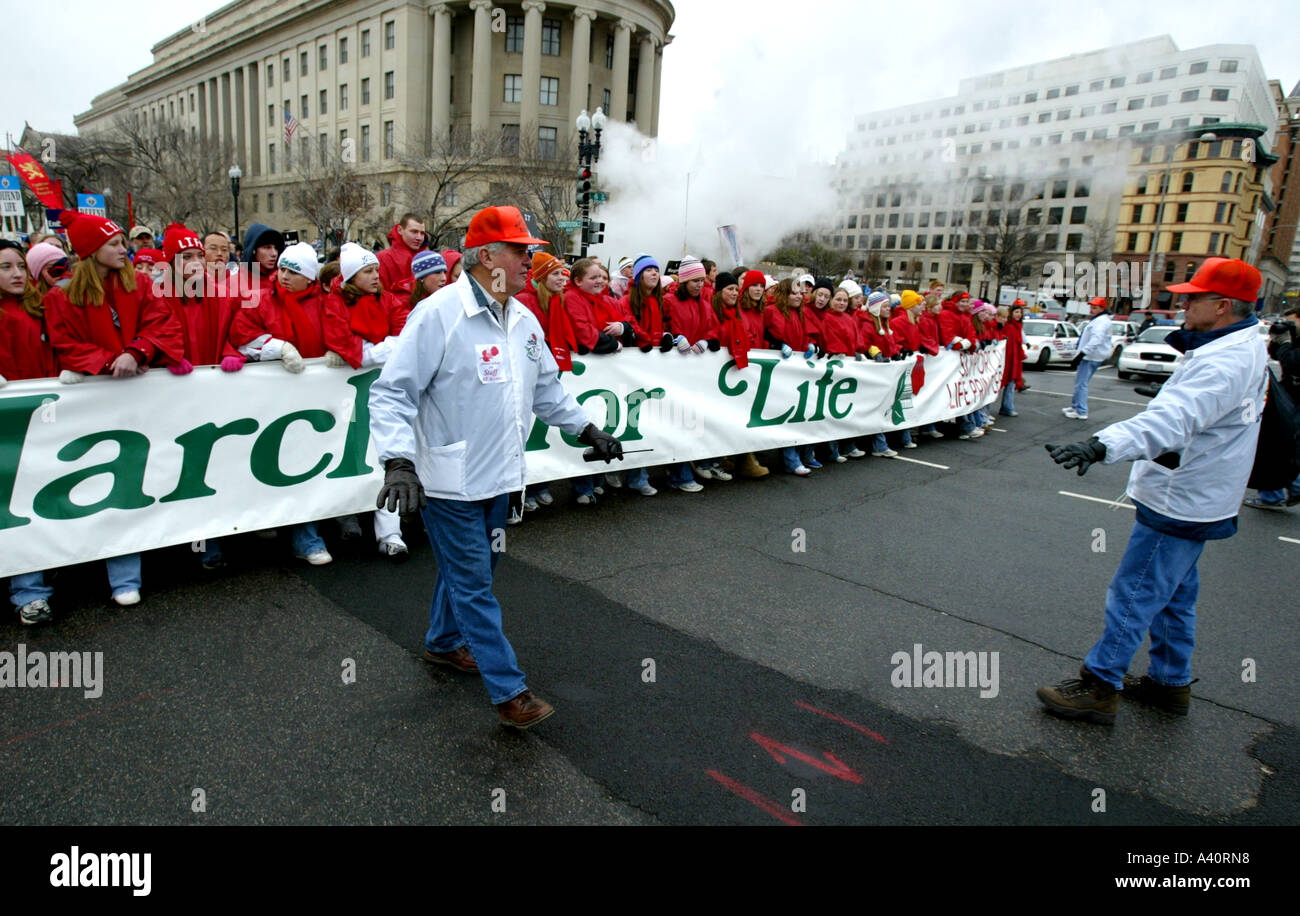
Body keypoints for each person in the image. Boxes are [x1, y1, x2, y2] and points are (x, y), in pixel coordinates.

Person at [369, 204, 622, 729]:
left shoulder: (525, 318)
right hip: (449, 482)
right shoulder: (438, 314)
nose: (530, 257)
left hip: (503, 480)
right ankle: (510, 691)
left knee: (472, 574)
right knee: (475, 585)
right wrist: (398, 460)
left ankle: (442, 641)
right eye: (519, 248)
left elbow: (547, 392)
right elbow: (392, 394)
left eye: (529, 249)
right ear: (487, 255)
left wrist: (587, 429)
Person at [1037, 258, 1267, 724]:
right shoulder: (1238, 347)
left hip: (1181, 498)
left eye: (1193, 297)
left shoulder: (1223, 361)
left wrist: (1101, 444)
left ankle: (1100, 684)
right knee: (1175, 595)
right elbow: (1194, 413)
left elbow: (1174, 421)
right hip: (1201, 496)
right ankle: (1169, 682)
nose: (1182, 302)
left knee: (1136, 590)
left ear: (1222, 306)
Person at [44, 210, 186, 607]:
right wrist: (112, 361)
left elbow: (164, 325)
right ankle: (106, 571)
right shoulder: (62, 296)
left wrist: (137, 351)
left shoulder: (139, 284)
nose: (123, 250)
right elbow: (65, 344)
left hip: (139, 399)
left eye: (123, 242)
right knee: (102, 482)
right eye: (113, 244)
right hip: (95, 404)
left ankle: (135, 571)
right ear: (90, 252)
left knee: (138, 479)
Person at [229, 241, 353, 565]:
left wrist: (337, 350)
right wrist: (277, 348)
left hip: (315, 399)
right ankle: (286, 532)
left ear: (309, 278)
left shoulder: (326, 302)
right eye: (282, 268)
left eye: (293, 271)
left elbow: (341, 332)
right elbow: (241, 336)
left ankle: (314, 531)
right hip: (272, 400)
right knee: (278, 463)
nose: (283, 275)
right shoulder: (260, 298)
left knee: (310, 464)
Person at [325, 242, 413, 558]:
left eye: (376, 269)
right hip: (346, 398)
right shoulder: (334, 303)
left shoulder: (387, 299)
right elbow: (343, 344)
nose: (376, 276)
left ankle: (390, 533)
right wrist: (378, 350)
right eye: (368, 271)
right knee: (348, 456)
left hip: (385, 396)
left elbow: (405, 336)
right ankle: (346, 517)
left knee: (385, 455)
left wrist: (371, 352)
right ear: (351, 276)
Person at [0, 239, 60, 624]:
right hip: (11, 425)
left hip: (51, 418)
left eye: (20, 265)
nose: (17, 274)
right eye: (5, 267)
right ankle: (29, 592)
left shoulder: (42, 308)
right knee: (17, 504)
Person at [515, 251, 576, 508]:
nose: (562, 278)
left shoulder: (557, 300)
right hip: (527, 374)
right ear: (540, 277)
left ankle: (540, 484)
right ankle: (523, 491)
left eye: (562, 272)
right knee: (526, 433)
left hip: (548, 371)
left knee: (544, 432)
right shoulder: (524, 301)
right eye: (555, 273)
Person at [1243, 305, 1300, 510]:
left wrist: (1285, 344)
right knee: (1282, 444)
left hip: (1294, 399)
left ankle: (1278, 492)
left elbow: (1293, 362)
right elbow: (1276, 356)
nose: (1289, 326)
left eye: (1292, 322)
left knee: (1281, 444)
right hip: (1287, 396)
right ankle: (1288, 488)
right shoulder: (1293, 339)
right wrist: (1277, 340)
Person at [763, 278, 816, 474]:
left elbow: (807, 336)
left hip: (798, 371)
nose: (798, 296)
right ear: (783, 294)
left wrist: (811, 346)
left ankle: (800, 455)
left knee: (797, 414)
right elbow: (764, 335)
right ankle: (791, 459)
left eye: (800, 293)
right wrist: (777, 346)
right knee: (785, 414)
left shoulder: (802, 314)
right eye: (793, 293)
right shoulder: (771, 311)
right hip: (779, 371)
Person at [1064, 296, 1113, 420]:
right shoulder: (1101, 320)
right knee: (1080, 383)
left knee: (1081, 384)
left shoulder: (1101, 322)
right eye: (1091, 307)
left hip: (1090, 356)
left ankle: (1081, 411)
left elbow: (1096, 339)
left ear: (1102, 308)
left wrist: (1082, 354)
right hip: (1092, 356)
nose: (1091, 310)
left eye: (1095, 308)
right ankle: (1075, 406)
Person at [377, 213, 427, 292]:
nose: (419, 238)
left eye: (422, 233)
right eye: (414, 232)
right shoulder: (383, 258)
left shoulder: (427, 258)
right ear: (400, 230)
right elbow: (381, 294)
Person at [999, 302, 1026, 417]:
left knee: (1011, 384)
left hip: (1014, 360)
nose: (1019, 314)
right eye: (1016, 312)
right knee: (1005, 383)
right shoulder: (1010, 326)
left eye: (1020, 312)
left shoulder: (1017, 326)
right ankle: (1007, 407)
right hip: (1008, 359)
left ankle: (1008, 406)